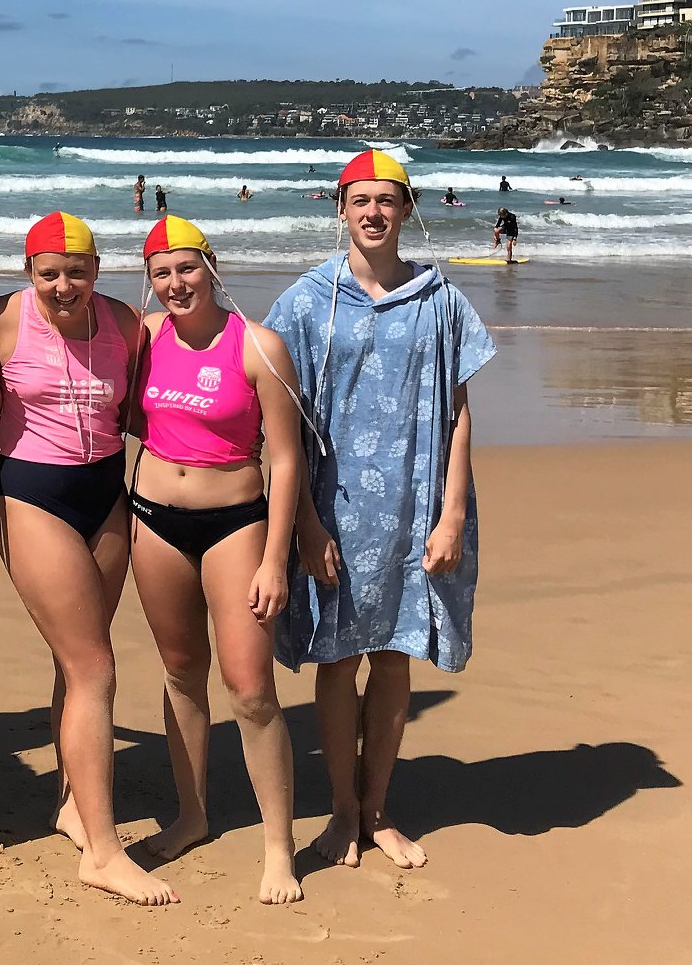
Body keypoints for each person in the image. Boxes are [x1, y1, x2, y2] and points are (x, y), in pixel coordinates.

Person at [265, 149, 495, 871]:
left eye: (386, 200)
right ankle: (341, 811)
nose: (373, 213)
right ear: (341, 209)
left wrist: (451, 514)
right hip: (332, 513)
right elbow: (280, 422)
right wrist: (304, 524)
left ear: (406, 208)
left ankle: (377, 809)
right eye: (360, 200)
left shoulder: (440, 300)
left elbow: (459, 412)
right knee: (337, 661)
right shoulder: (306, 302)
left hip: (414, 507)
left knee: (395, 656)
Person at [0, 212, 168, 904]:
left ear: (97, 270)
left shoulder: (124, 323)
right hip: (33, 491)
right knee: (94, 666)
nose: (64, 286)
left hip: (104, 492)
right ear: (29, 272)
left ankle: (69, 803)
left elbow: (140, 412)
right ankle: (104, 853)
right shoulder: (0, 316)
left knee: (77, 659)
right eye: (49, 273)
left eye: (76, 272)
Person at [127, 217, 305, 905]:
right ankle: (192, 815)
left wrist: (276, 558)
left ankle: (278, 846)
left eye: (187, 268)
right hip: (153, 519)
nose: (176, 283)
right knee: (180, 672)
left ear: (210, 266)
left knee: (251, 687)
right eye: (162, 272)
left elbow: (286, 459)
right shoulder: (144, 337)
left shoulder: (258, 345)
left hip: (236, 524)